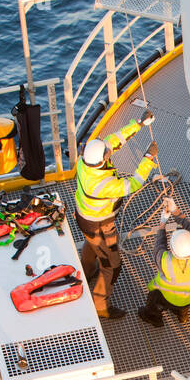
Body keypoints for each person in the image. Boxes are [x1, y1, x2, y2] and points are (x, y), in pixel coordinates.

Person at [75, 110, 157, 319]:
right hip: (100, 225)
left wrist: (138, 123)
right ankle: (100, 304)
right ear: (103, 158)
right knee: (112, 265)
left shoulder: (85, 162)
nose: (109, 150)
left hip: (84, 218)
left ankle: (87, 270)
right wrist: (148, 158)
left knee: (92, 245)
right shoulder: (104, 184)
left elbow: (116, 139)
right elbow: (134, 183)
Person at [138, 196, 190, 327]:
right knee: (184, 304)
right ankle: (183, 316)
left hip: (169, 298)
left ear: (172, 249)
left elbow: (159, 244)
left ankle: (153, 318)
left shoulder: (165, 261)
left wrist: (162, 223)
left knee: (154, 300)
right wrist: (175, 210)